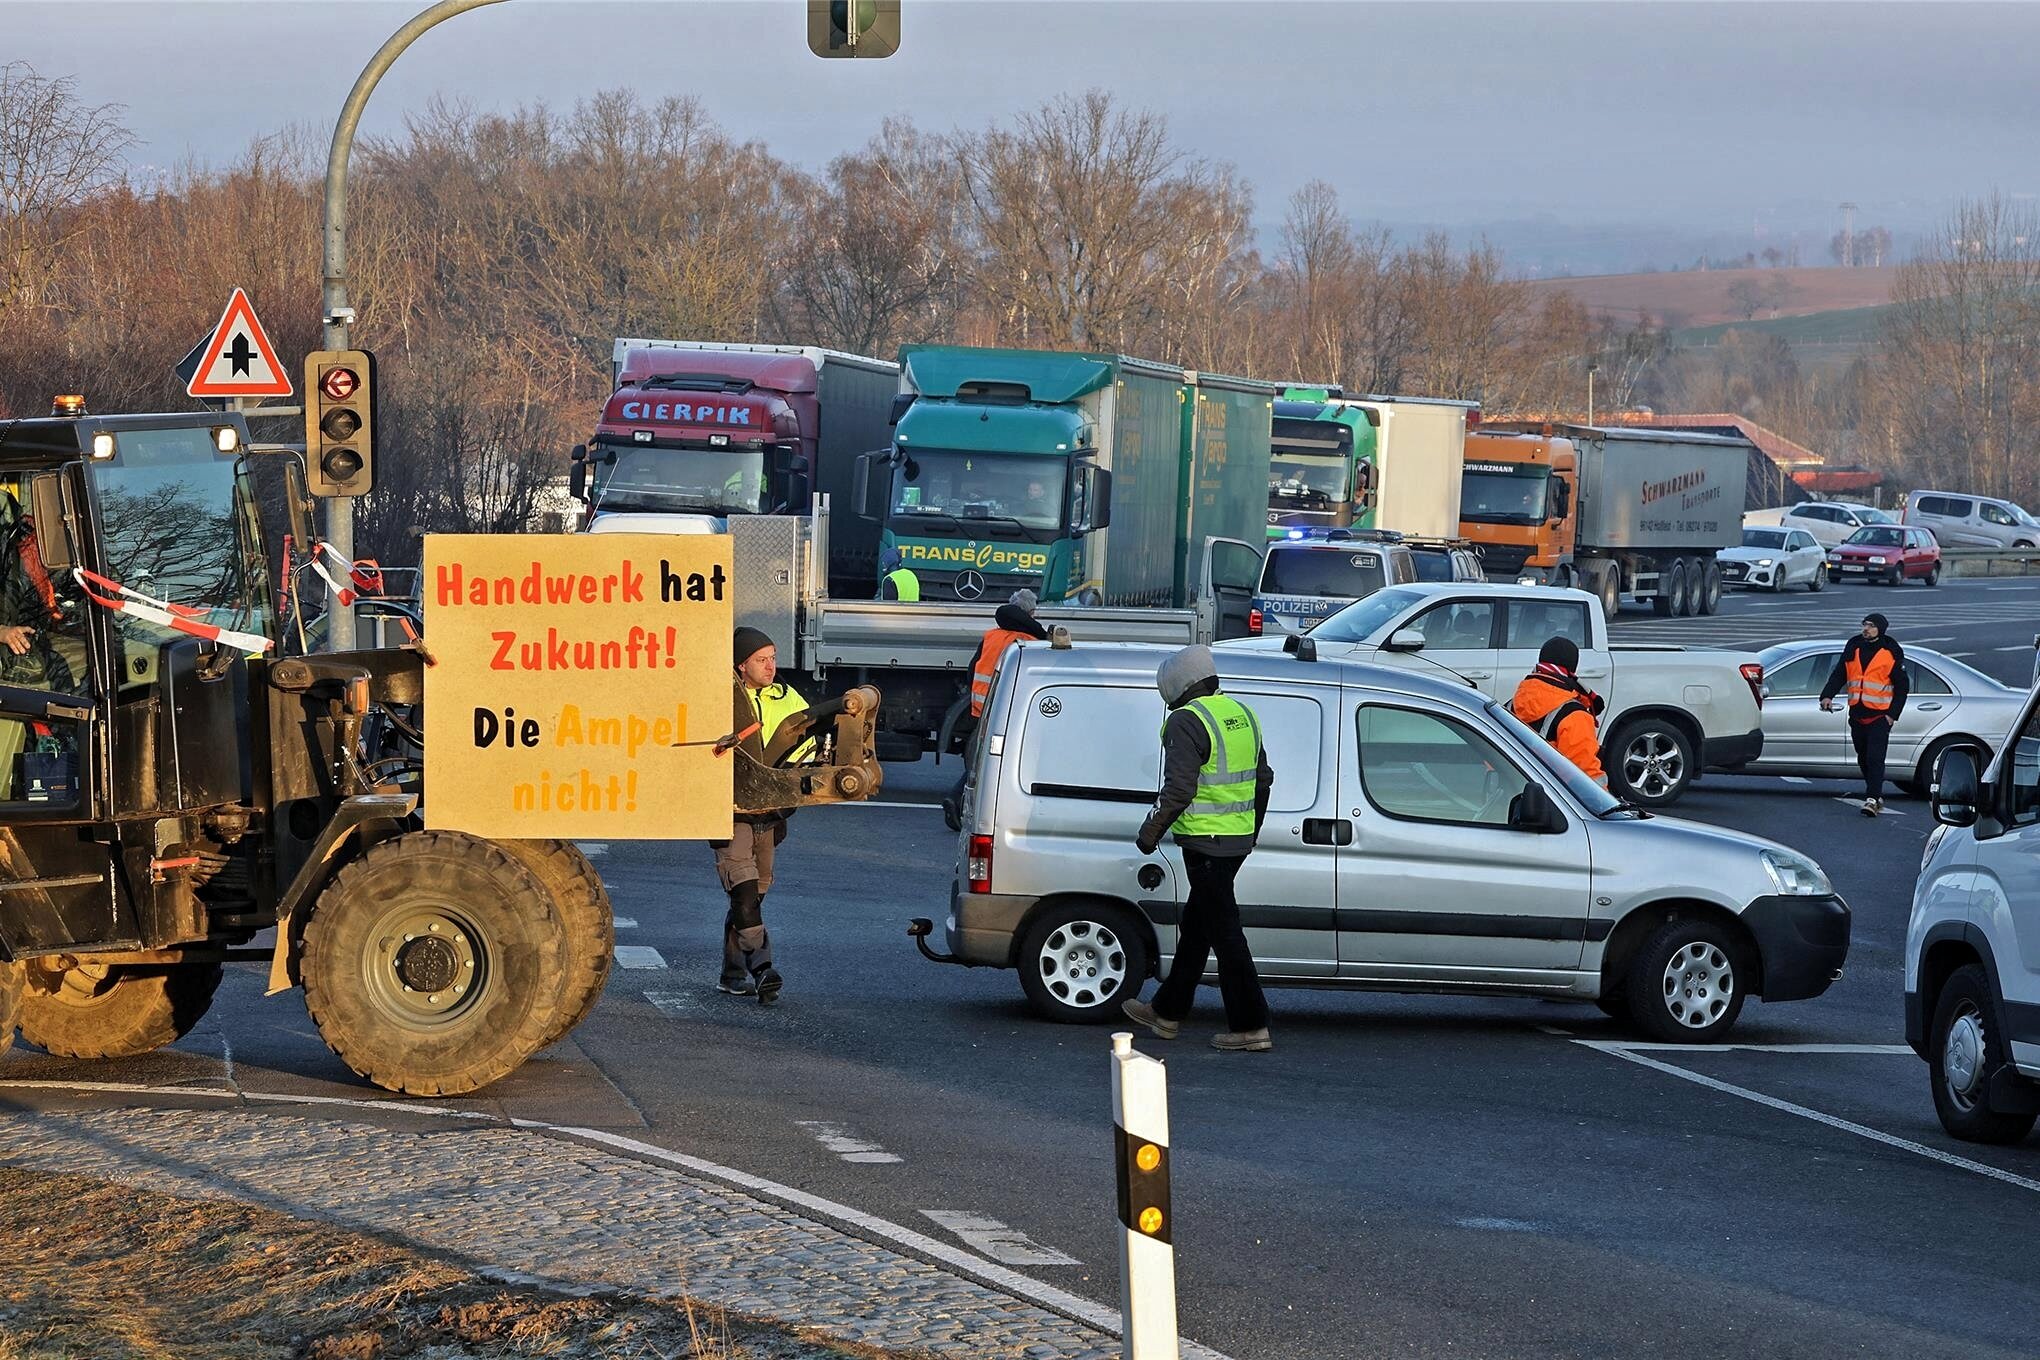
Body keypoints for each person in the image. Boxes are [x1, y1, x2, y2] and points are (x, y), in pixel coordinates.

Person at [1121, 645, 1277, 1053]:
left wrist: (1149, 833)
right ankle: (1167, 1013)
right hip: (1235, 842)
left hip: (1205, 844)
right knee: (1198, 925)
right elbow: (1263, 779)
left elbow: (1179, 790)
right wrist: (1251, 831)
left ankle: (1251, 1026)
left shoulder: (1185, 722)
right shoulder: (1241, 714)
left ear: (1177, 686)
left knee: (1225, 933)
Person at [711, 626, 810, 1003]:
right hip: (732, 811)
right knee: (744, 891)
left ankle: (732, 973)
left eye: (772, 657)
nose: (771, 666)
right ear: (741, 665)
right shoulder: (721, 698)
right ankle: (763, 969)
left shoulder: (786, 696)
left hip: (769, 814)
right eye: (761, 660)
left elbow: (808, 742)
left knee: (752, 897)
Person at [943, 589, 1049, 830]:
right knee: (990, 761)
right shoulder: (1029, 642)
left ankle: (962, 802)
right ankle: (960, 801)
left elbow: (972, 670)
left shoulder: (992, 636)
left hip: (983, 707)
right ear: (1031, 613)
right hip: (1009, 710)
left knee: (982, 758)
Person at [1820, 612, 1907, 817]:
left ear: (1881, 629)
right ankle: (1875, 793)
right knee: (1863, 757)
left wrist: (1892, 715)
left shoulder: (1890, 651)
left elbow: (1902, 686)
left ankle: (1872, 799)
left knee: (1876, 758)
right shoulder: (1854, 646)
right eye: (1864, 625)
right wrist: (1827, 695)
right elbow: (1840, 673)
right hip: (1857, 713)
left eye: (1871, 626)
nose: (1866, 629)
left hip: (1879, 715)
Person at [1509, 636, 1607, 787]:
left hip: (1508, 796)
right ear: (1572, 669)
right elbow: (1586, 775)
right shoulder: (1574, 715)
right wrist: (1605, 806)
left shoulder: (1509, 706)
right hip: (1554, 801)